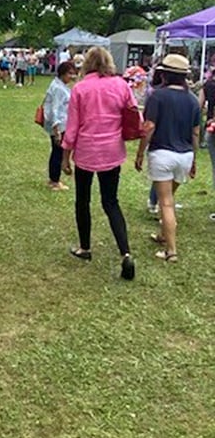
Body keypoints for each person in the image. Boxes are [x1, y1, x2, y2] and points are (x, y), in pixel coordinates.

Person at [61, 46, 137, 281]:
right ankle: (125, 252)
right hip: (112, 150)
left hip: (86, 150)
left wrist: (65, 156)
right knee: (111, 201)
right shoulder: (121, 85)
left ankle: (85, 247)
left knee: (82, 200)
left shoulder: (80, 88)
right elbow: (134, 113)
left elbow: (72, 127)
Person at [135, 53, 200, 262]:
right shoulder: (192, 100)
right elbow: (195, 133)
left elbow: (149, 127)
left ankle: (171, 250)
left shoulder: (157, 96)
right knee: (170, 198)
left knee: (166, 203)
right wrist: (194, 160)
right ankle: (163, 235)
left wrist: (140, 153)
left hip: (162, 154)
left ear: (164, 74)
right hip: (185, 156)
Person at [42, 60, 77, 191]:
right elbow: (55, 109)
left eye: (73, 73)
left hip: (62, 124)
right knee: (58, 152)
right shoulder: (58, 88)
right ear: (62, 73)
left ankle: (54, 178)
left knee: (57, 152)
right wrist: (56, 130)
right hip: (59, 125)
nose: (72, 76)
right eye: (69, 73)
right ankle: (54, 180)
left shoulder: (61, 85)